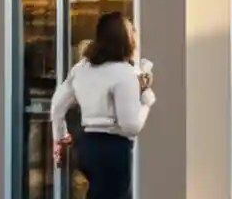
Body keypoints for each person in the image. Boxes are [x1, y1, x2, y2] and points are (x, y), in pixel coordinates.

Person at [49, 12, 155, 199]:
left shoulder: (81, 68)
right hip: (113, 149)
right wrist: (146, 104)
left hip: (87, 146)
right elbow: (131, 126)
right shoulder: (125, 74)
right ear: (128, 41)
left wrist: (61, 135)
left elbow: (58, 106)